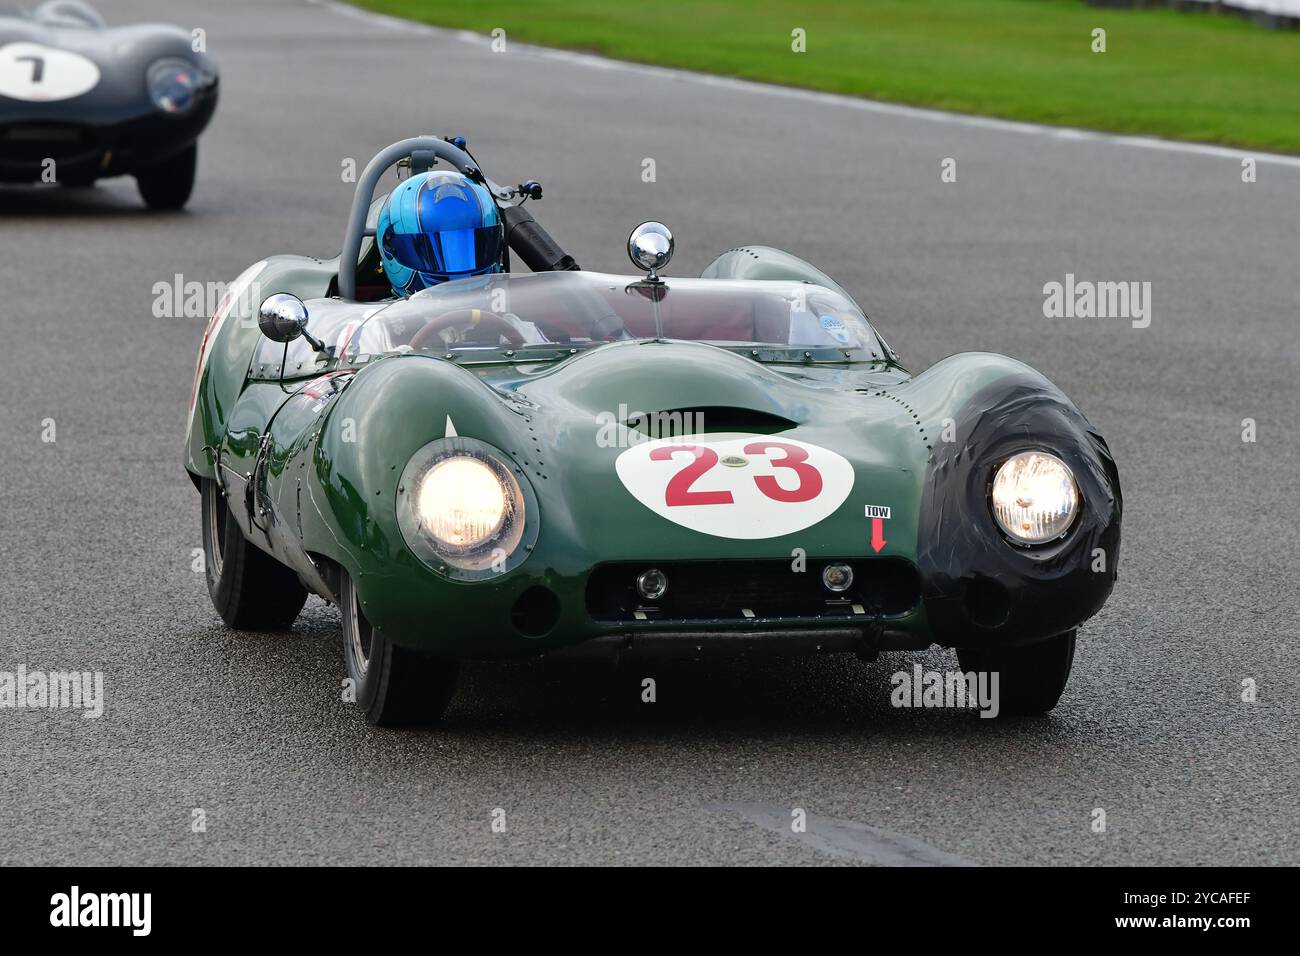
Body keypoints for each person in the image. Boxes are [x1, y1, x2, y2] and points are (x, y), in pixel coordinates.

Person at [376, 169, 505, 298]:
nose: (459, 278)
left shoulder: (507, 311)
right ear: (389, 247)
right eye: (429, 252)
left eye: (478, 248)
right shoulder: (374, 317)